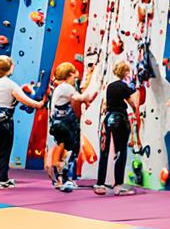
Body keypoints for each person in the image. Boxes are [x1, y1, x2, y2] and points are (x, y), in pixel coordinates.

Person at [0, 55, 45, 190]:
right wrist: (38, 104)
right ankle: (3, 179)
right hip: (5, 121)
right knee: (5, 149)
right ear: (9, 68)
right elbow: (23, 99)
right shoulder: (10, 84)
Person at [47, 62, 96, 192]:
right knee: (70, 150)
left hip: (58, 123)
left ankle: (60, 178)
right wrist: (94, 83)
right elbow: (82, 97)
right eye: (74, 75)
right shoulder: (66, 88)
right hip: (64, 124)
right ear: (70, 74)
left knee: (63, 151)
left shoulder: (60, 88)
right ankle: (64, 179)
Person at [94, 59, 140, 196]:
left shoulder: (110, 86)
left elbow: (107, 102)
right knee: (120, 151)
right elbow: (133, 104)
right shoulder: (124, 86)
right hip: (120, 118)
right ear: (125, 72)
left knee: (105, 150)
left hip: (107, 119)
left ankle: (100, 183)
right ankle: (118, 184)